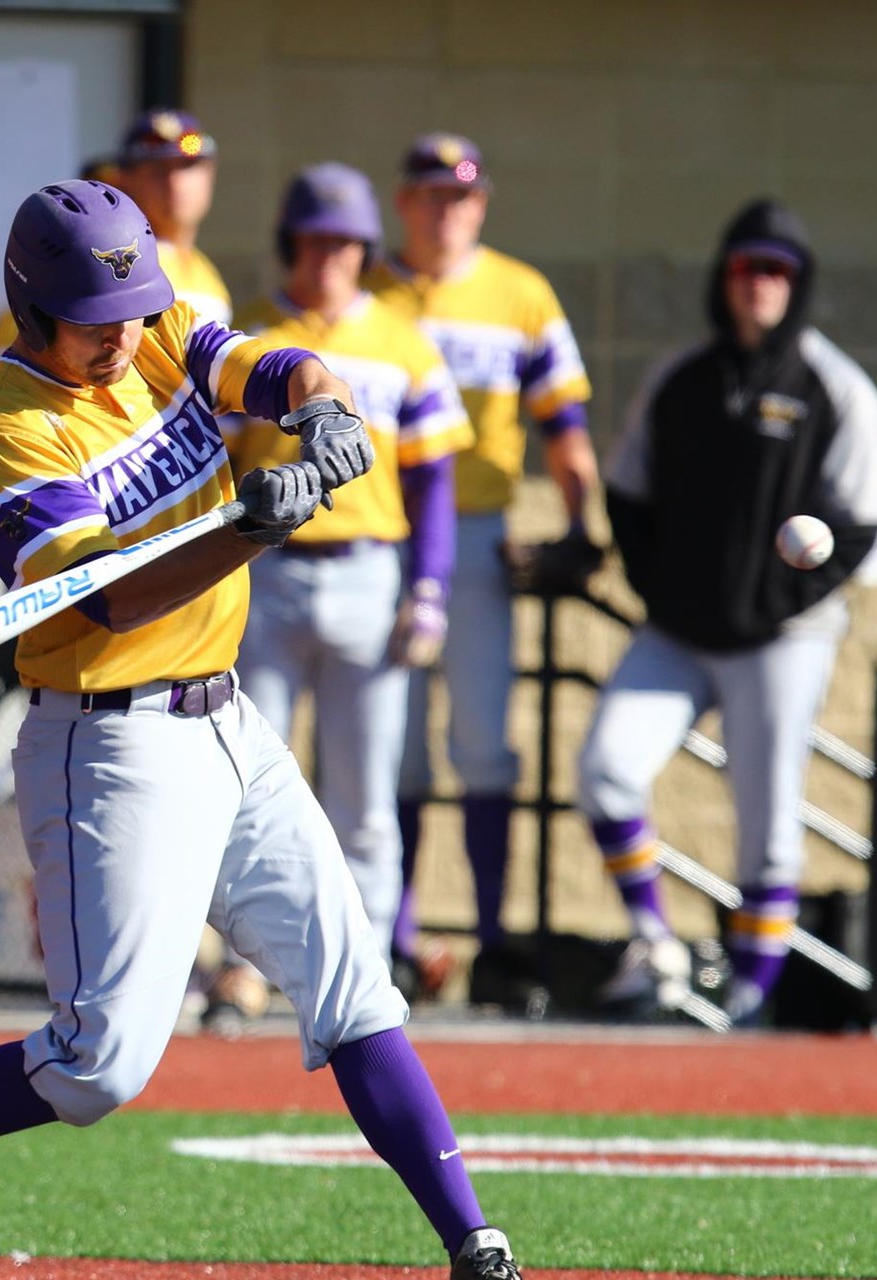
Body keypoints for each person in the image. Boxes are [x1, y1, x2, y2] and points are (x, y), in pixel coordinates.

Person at [0, 180, 523, 1280]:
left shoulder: (155, 322)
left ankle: (473, 1239)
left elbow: (267, 367)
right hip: (108, 746)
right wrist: (257, 529)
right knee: (98, 1067)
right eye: (96, 323)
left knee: (354, 981)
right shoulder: (8, 428)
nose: (125, 339)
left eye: (135, 312)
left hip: (230, 717)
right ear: (35, 313)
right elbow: (111, 599)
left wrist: (320, 410)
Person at [576, 199, 877, 1026]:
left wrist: (771, 603)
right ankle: (658, 940)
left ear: (799, 284)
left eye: (778, 270)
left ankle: (750, 996)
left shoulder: (836, 387)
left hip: (783, 638)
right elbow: (628, 490)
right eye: (749, 267)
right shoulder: (682, 376)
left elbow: (860, 522)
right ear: (726, 277)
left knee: (768, 818)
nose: (761, 285)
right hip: (678, 631)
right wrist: (661, 591)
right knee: (606, 767)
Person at [213, 162, 473, 1028]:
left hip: (370, 570)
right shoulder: (253, 337)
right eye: (316, 240)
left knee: (365, 794)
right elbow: (207, 466)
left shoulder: (403, 340)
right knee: (244, 778)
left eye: (347, 243)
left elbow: (434, 479)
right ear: (291, 243)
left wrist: (429, 591)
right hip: (267, 570)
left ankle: (362, 971)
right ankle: (243, 969)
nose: (330, 257)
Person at [366, 133, 599, 986]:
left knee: (482, 739)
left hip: (473, 534)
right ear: (403, 203)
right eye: (428, 193)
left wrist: (583, 524)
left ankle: (494, 939)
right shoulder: (365, 287)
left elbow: (564, 422)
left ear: (482, 203)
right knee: (390, 747)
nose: (444, 210)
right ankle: (395, 938)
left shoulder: (520, 293)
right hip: (379, 531)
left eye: (459, 195)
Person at [0, 110, 228, 370]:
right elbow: (6, 373)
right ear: (123, 181)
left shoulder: (203, 269)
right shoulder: (95, 265)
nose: (175, 182)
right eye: (157, 169)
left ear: (210, 173)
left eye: (188, 166)